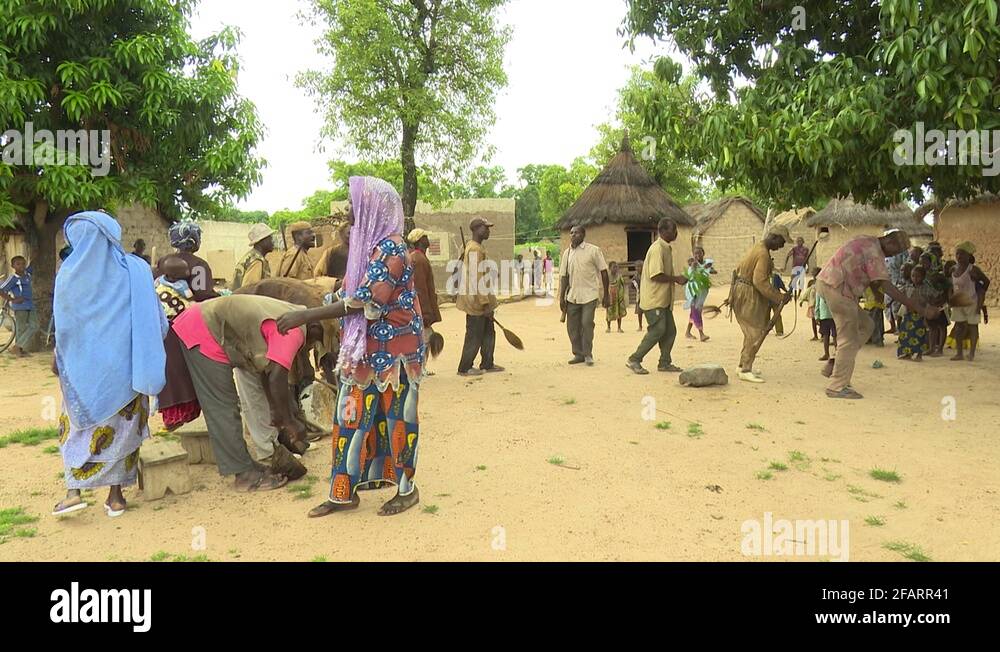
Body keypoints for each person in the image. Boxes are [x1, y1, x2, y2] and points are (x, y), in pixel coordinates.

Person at [275, 176, 425, 518]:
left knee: (398, 420)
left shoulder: (392, 249)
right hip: (363, 350)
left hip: (395, 353)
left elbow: (363, 300)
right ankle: (343, 492)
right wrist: (311, 304)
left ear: (373, 207)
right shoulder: (364, 246)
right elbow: (344, 294)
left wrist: (306, 316)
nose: (349, 209)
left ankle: (407, 490)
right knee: (348, 418)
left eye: (354, 203)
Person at [50, 211, 168, 517]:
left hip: (82, 374)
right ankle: (115, 498)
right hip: (126, 372)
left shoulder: (68, 275)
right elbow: (156, 320)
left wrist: (59, 358)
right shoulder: (135, 270)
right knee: (124, 430)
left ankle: (73, 492)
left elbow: (63, 329)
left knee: (78, 429)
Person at [173, 294, 324, 488]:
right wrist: (291, 422)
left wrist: (279, 415)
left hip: (205, 322)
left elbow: (268, 373)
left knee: (226, 407)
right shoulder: (295, 331)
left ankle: (246, 464)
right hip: (202, 329)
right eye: (314, 343)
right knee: (223, 407)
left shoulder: (294, 309)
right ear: (315, 329)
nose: (309, 348)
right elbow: (277, 377)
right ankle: (243, 475)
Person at [817, 230, 938, 399]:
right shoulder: (875, 253)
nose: (892, 255)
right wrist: (921, 309)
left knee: (867, 325)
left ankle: (836, 362)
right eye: (894, 251)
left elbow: (874, 280)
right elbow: (886, 286)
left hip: (829, 282)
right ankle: (837, 385)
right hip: (838, 288)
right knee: (848, 338)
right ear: (889, 242)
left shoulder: (865, 239)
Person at [730, 226, 792, 383]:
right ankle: (745, 369)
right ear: (775, 237)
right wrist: (779, 297)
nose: (782, 246)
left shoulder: (758, 247)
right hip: (747, 294)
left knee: (751, 332)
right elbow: (760, 281)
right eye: (782, 242)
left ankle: (743, 364)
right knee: (755, 331)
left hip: (741, 291)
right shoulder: (763, 254)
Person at [626, 218, 687, 375]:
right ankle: (635, 359)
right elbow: (656, 275)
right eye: (673, 229)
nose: (676, 233)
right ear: (664, 231)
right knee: (658, 330)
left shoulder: (665, 248)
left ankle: (664, 362)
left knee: (670, 330)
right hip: (654, 299)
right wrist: (676, 279)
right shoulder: (657, 249)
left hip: (663, 300)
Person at [456, 217, 503, 376]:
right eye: (486, 228)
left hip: (480, 299)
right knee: (474, 335)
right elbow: (477, 278)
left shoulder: (473, 246)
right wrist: (484, 304)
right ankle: (464, 367)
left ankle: (487, 363)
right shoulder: (475, 249)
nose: (488, 231)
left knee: (488, 332)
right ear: (476, 229)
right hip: (476, 302)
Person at [559, 225, 610, 366]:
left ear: (583, 235)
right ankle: (578, 354)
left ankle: (588, 354)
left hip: (590, 294)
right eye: (571, 233)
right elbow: (563, 276)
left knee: (587, 323)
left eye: (576, 232)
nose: (573, 235)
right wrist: (561, 297)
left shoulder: (593, 251)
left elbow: (604, 272)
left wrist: (606, 294)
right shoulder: (567, 254)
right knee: (572, 327)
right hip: (572, 296)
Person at [158, 221, 219, 302]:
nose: (200, 241)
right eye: (199, 238)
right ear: (193, 240)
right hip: (188, 311)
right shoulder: (199, 265)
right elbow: (202, 295)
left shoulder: (163, 260)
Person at [408, 228, 442, 373]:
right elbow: (420, 289)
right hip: (421, 309)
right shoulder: (418, 259)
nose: (428, 239)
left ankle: (420, 367)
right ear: (420, 240)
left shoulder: (417, 257)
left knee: (423, 338)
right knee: (424, 339)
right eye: (425, 237)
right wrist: (425, 312)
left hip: (420, 308)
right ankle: (419, 368)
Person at [950, 241, 990, 361]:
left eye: (962, 254)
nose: (959, 257)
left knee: (973, 327)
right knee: (958, 327)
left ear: (969, 256)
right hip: (958, 303)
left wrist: (980, 292)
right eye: (957, 254)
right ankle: (959, 353)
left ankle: (971, 353)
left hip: (972, 302)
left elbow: (986, 282)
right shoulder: (953, 269)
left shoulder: (973, 270)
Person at [1, 255, 37, 356]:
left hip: (30, 304)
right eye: (18, 264)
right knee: (20, 328)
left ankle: (17, 347)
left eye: (23, 264)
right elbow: (1, 290)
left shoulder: (27, 275)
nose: (21, 266)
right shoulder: (12, 278)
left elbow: (32, 264)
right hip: (20, 306)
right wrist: (13, 299)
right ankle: (19, 350)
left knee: (35, 326)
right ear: (13, 266)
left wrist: (36, 254)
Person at [896, 265, 935, 362]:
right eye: (913, 276)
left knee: (919, 335)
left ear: (923, 277)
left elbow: (934, 297)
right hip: (908, 314)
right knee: (906, 334)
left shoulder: (926, 288)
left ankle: (919, 355)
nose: (915, 278)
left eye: (918, 276)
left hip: (920, 315)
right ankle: (907, 353)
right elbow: (900, 295)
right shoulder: (908, 286)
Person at [232, 223, 276, 290]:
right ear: (262, 241)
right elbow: (250, 290)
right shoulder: (257, 262)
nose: (272, 241)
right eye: (269, 238)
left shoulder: (252, 256)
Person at [683, 247, 714, 342]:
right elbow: (691, 275)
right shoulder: (693, 265)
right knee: (696, 310)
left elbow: (709, 270)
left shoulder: (706, 263)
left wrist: (711, 270)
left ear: (703, 253)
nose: (697, 255)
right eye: (695, 254)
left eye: (699, 253)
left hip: (702, 291)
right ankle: (701, 334)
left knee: (695, 311)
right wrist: (697, 267)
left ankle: (687, 332)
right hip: (693, 291)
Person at [606, 261, 628, 333]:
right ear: (610, 268)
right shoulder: (607, 277)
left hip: (618, 297)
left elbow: (622, 286)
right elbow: (605, 286)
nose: (615, 269)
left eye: (616, 267)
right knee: (609, 312)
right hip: (610, 297)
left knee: (619, 312)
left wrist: (622, 296)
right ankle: (608, 327)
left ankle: (619, 327)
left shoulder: (619, 277)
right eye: (614, 267)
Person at [799, 269, 820, 341]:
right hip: (812, 305)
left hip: (819, 305)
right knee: (814, 320)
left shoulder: (821, 283)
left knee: (821, 320)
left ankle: (823, 335)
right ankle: (815, 335)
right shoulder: (811, 283)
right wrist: (802, 300)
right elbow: (807, 292)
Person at [632, 261, 644, 330]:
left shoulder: (645, 275)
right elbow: (632, 285)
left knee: (648, 310)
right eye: (636, 267)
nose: (638, 268)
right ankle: (640, 325)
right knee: (639, 312)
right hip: (639, 295)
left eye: (639, 266)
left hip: (646, 294)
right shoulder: (635, 277)